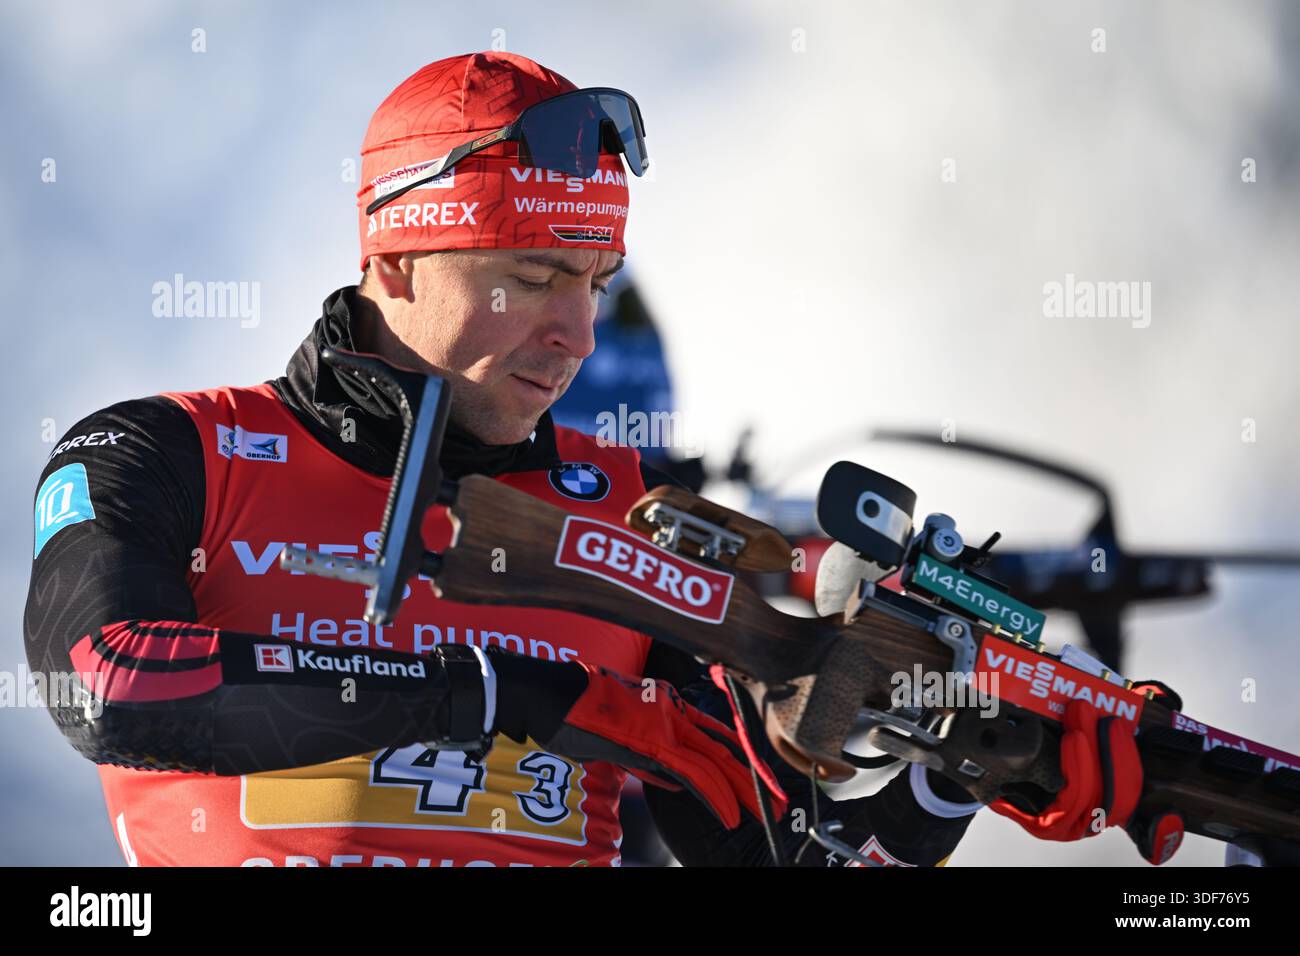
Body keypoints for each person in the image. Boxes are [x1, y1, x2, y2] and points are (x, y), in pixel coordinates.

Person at [26, 51, 1131, 868]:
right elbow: (106, 680)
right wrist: (505, 693)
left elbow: (769, 842)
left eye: (595, 283)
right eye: (535, 273)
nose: (578, 334)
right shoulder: (168, 448)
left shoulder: (638, 515)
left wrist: (940, 772)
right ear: (396, 259)